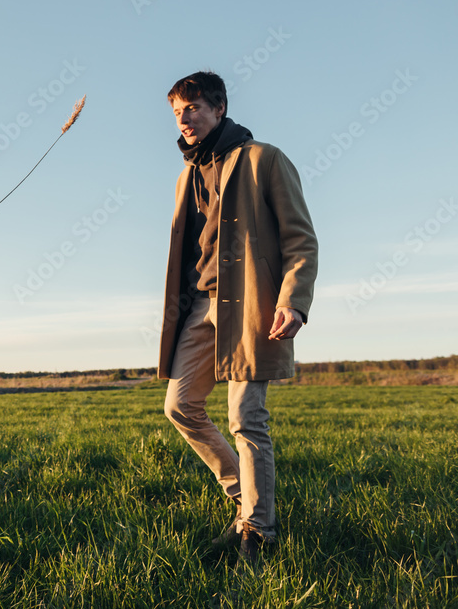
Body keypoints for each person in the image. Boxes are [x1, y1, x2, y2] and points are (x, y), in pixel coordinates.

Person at [158, 71, 318, 563]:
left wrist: (293, 300)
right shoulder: (188, 174)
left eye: (193, 108)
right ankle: (246, 500)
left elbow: (300, 239)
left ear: (219, 108)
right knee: (180, 406)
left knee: (246, 418)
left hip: (249, 305)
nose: (184, 119)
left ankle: (259, 533)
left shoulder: (263, 159)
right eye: (177, 112)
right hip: (199, 307)